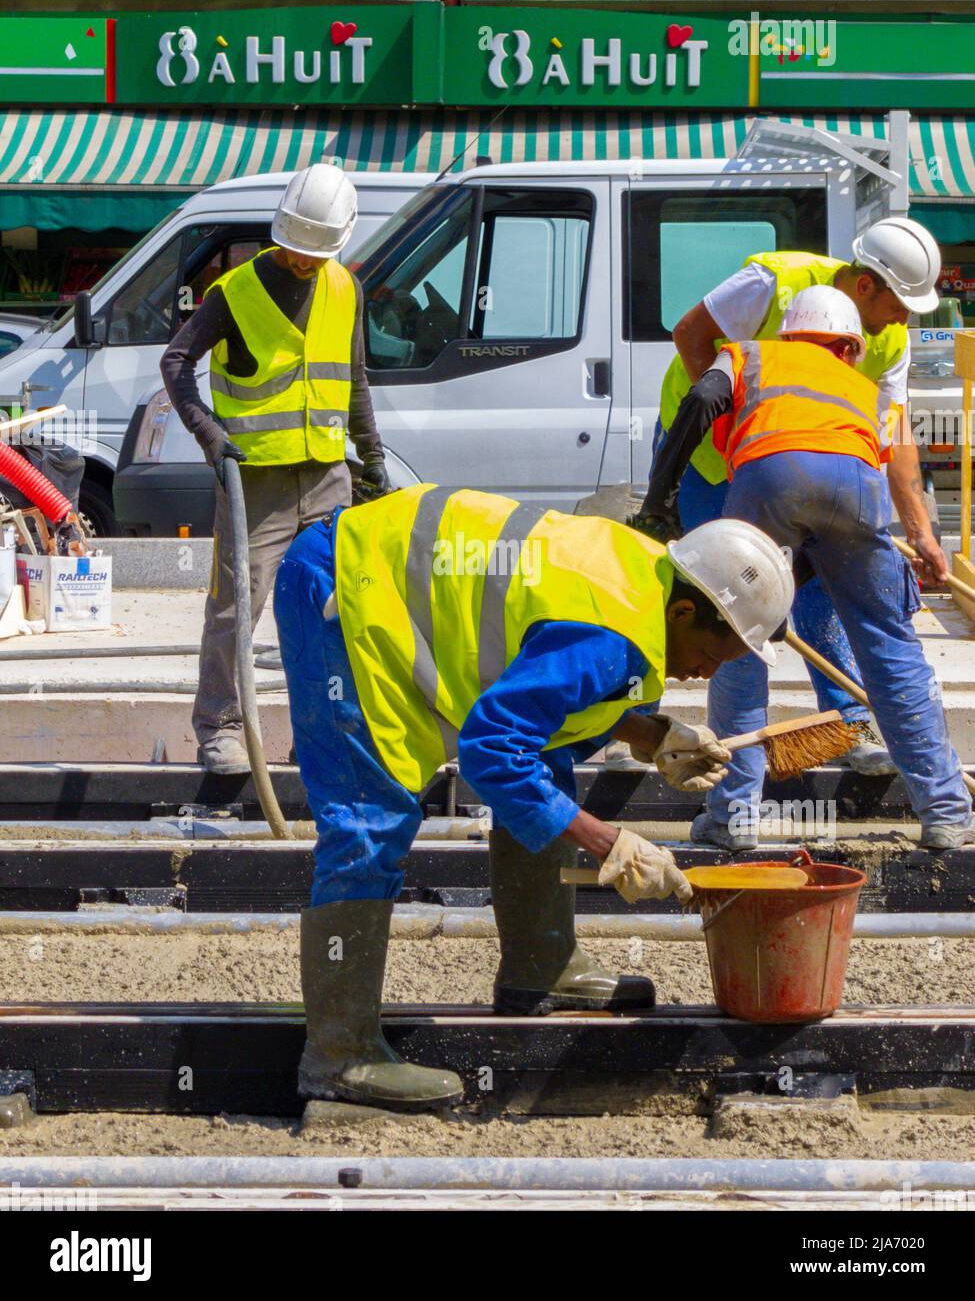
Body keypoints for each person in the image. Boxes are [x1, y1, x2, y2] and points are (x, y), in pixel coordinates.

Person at [274, 485, 795, 1110]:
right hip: (347, 591)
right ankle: (339, 1055)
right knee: (370, 817)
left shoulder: (649, 577)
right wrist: (607, 843)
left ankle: (541, 967)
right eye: (712, 655)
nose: (708, 674)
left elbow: (545, 691)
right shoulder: (611, 631)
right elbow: (491, 752)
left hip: (378, 574)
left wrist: (650, 734)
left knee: (543, 759)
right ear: (684, 613)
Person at [641, 286, 972, 854]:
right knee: (890, 646)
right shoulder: (868, 391)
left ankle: (734, 817)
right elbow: (886, 465)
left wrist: (659, 501)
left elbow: (699, 401)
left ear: (790, 334)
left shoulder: (752, 355)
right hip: (859, 491)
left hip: (770, 478)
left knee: (737, 639)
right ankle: (947, 812)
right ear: (849, 347)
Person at [161, 163, 390, 774]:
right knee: (236, 607)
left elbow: (355, 382)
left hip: (326, 477)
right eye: (295, 249)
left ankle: (323, 730)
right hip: (255, 480)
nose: (302, 262)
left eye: (314, 253)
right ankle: (221, 729)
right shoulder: (235, 292)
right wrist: (210, 435)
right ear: (280, 232)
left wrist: (373, 461)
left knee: (333, 607)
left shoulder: (346, 286)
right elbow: (177, 360)